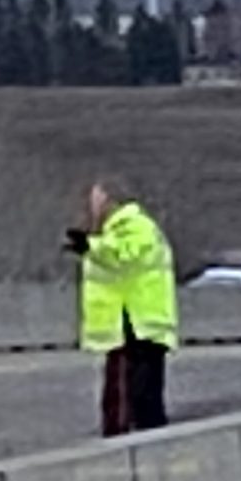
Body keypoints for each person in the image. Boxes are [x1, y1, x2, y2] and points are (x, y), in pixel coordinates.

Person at [67, 178, 178, 436]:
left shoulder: (135, 225)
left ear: (110, 201)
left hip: (135, 322)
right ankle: (143, 436)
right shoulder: (116, 230)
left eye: (96, 199)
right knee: (138, 392)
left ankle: (128, 438)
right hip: (134, 323)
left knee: (132, 392)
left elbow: (125, 256)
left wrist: (90, 247)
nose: (92, 206)